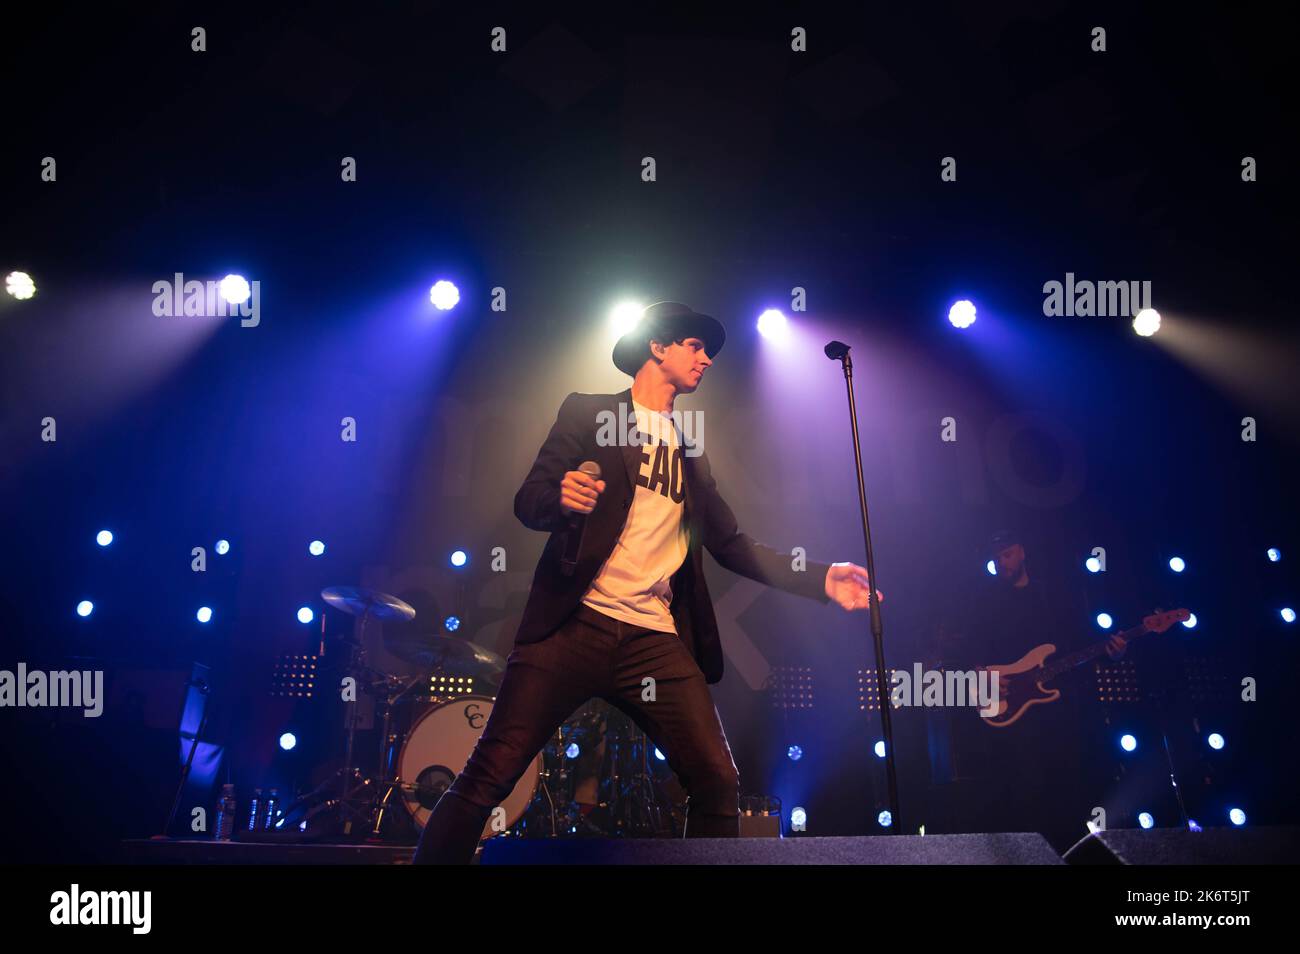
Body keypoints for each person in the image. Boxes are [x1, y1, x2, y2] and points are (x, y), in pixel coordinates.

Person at [412, 301, 879, 863]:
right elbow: (528, 499)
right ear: (658, 346)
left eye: (709, 353)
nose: (706, 360)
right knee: (491, 774)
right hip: (573, 628)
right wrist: (560, 496)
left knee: (716, 781)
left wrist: (819, 578)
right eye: (695, 346)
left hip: (652, 639)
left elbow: (731, 545)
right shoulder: (589, 413)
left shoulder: (691, 452)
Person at [934, 531, 1124, 851]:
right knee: (1025, 797)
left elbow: (1079, 644)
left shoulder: (1052, 597)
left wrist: (1111, 652)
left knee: (1070, 794)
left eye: (1006, 555)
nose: (1002, 563)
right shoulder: (985, 603)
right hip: (1016, 721)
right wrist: (981, 676)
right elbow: (963, 653)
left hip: (1060, 716)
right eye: (997, 558)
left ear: (1022, 552)